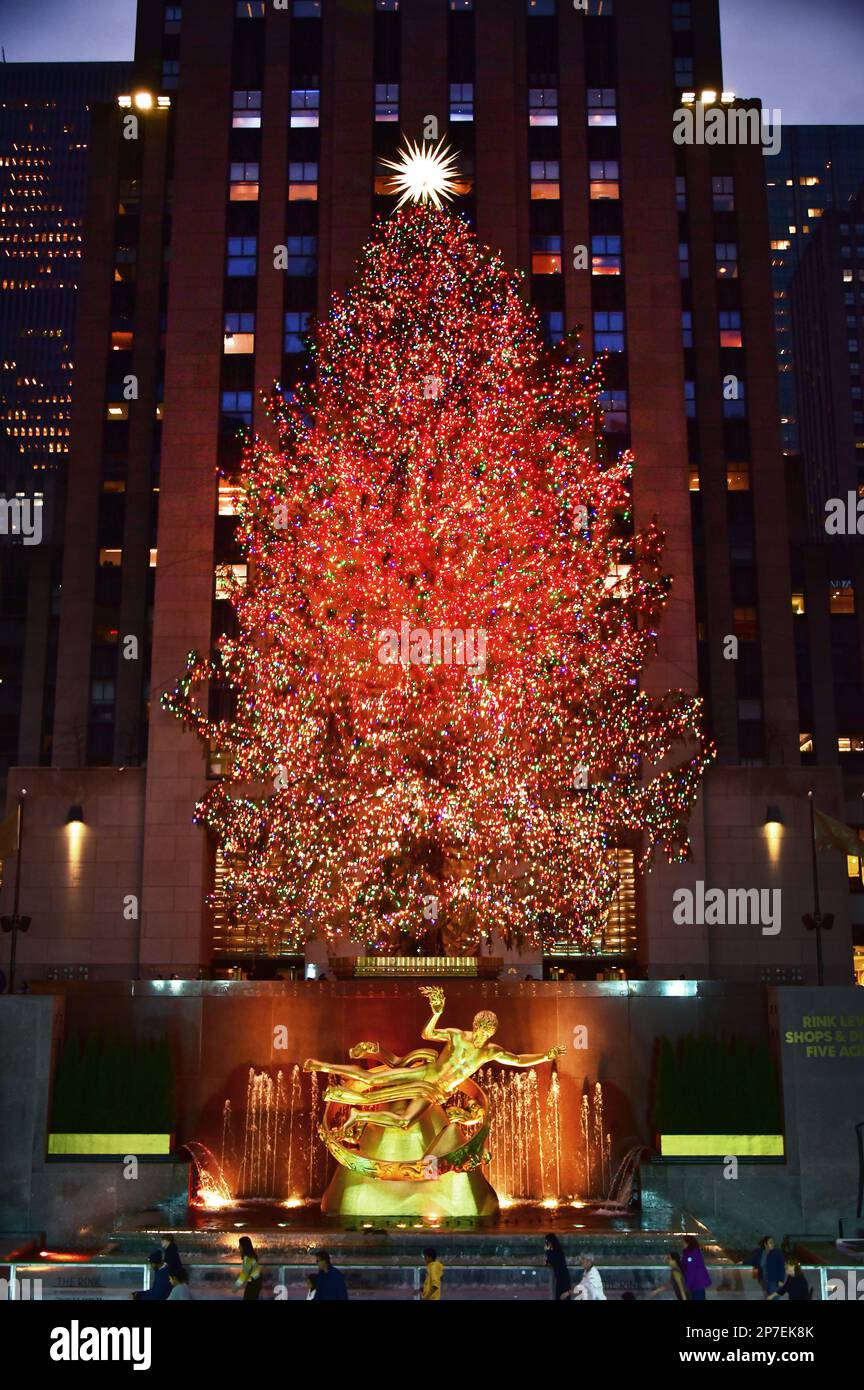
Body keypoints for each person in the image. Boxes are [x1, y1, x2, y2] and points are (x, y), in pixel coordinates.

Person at [681, 1236, 712, 1300]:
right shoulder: (691, 1252)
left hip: (696, 1283)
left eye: (683, 1242)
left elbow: (691, 1270)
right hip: (697, 1282)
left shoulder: (691, 1254)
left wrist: (687, 1285)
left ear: (688, 1243)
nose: (682, 1244)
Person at [233, 1235, 263, 1300]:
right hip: (256, 1283)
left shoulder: (247, 1258)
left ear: (244, 1246)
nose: (238, 1247)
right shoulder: (251, 1256)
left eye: (240, 1245)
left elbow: (244, 1274)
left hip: (253, 1284)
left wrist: (235, 1287)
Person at [544, 1234, 571, 1301]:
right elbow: (549, 1261)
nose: (546, 1243)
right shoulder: (556, 1251)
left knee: (561, 1297)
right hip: (561, 1279)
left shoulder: (556, 1252)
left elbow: (551, 1261)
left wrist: (547, 1250)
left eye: (547, 1241)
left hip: (563, 1280)